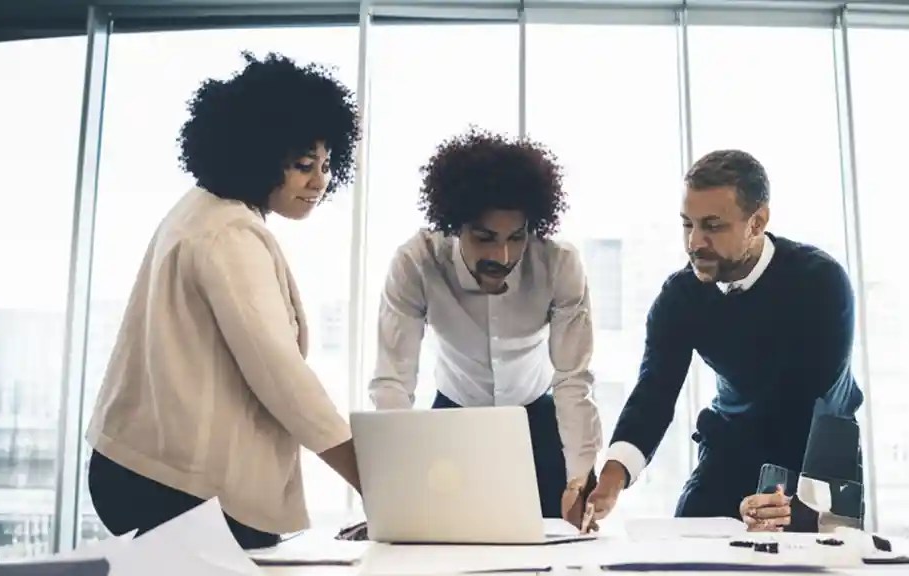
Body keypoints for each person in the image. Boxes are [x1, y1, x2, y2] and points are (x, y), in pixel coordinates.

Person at [86, 52, 362, 549]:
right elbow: (279, 372)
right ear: (256, 152)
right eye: (303, 165)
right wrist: (370, 476)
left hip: (146, 465)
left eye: (326, 164)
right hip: (178, 484)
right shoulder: (228, 232)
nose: (319, 181)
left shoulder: (199, 212)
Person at [583, 149, 863, 532]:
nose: (695, 242)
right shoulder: (681, 297)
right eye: (688, 225)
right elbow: (654, 391)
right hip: (732, 445)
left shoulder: (820, 282)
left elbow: (815, 399)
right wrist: (611, 480)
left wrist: (778, 494)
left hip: (818, 452)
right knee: (687, 544)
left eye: (712, 226)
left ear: (757, 222)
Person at [369, 127, 602, 520]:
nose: (504, 253)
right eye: (485, 238)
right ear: (455, 225)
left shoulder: (559, 263)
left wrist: (580, 474)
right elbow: (393, 380)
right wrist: (395, 474)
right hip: (453, 419)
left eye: (517, 236)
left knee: (554, 549)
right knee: (447, 548)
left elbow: (572, 378)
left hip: (537, 421)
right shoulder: (416, 263)